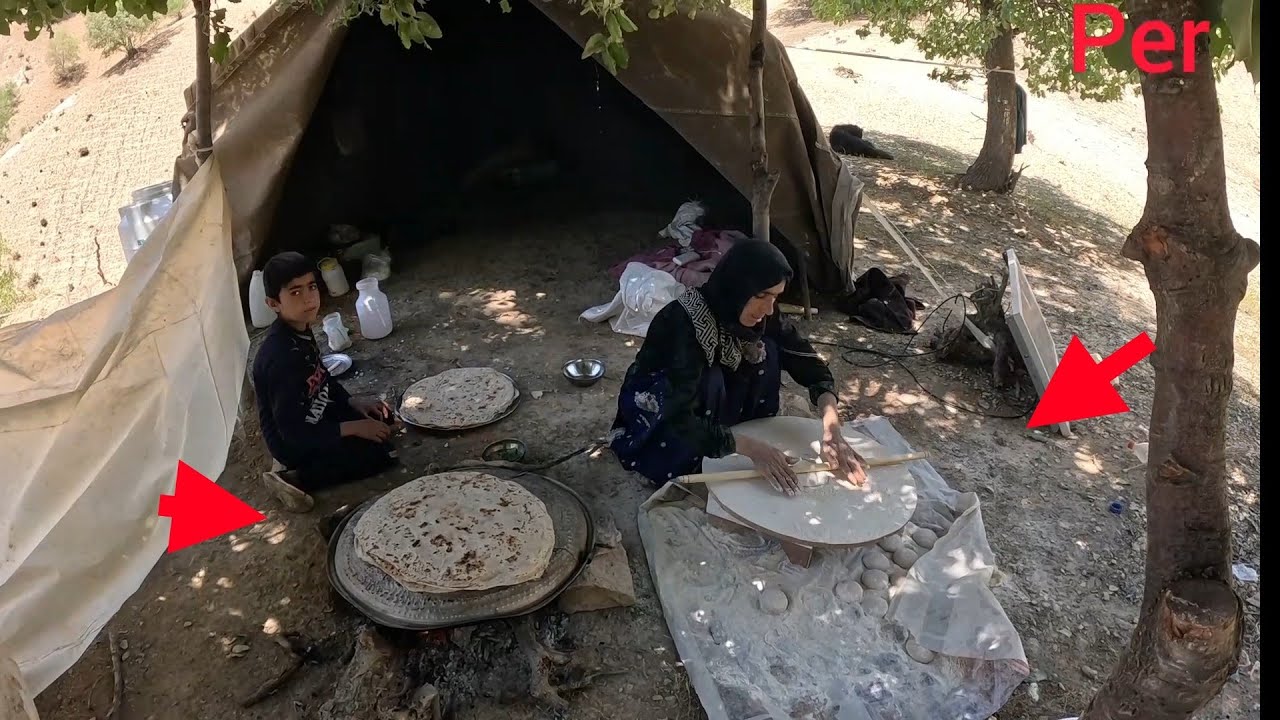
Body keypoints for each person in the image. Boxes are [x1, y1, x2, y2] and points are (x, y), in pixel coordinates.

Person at [608, 238, 868, 494]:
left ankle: (734, 434)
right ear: (737, 287)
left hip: (712, 409)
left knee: (766, 352)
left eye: (775, 297)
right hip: (663, 414)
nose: (767, 309)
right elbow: (678, 415)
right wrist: (753, 449)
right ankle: (707, 450)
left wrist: (832, 430)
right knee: (710, 379)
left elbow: (809, 365)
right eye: (761, 295)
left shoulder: (765, 315)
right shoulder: (683, 322)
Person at [252, 252, 399, 512]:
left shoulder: (300, 331)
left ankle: (345, 438)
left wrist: (353, 402)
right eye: (295, 292)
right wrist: (354, 427)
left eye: (311, 287)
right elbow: (293, 431)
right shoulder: (281, 359)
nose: (309, 298)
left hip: (315, 411)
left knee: (382, 418)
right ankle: (293, 477)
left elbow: (322, 377)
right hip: (294, 439)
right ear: (274, 303)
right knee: (377, 456)